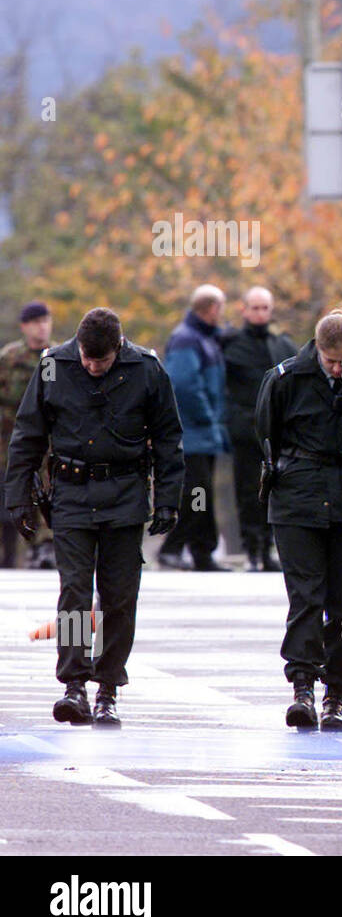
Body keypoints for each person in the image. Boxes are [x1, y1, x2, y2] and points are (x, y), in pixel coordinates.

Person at [4, 307, 184, 727]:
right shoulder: (54, 367)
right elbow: (27, 434)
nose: (91, 365)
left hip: (124, 494)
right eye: (86, 357)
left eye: (99, 360)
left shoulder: (147, 370)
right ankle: (73, 685)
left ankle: (108, 687)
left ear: (118, 348)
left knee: (119, 597)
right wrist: (18, 498)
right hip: (70, 495)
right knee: (74, 594)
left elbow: (169, 438)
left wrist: (170, 500)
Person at [255, 308, 342, 732]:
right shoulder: (285, 378)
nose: (338, 369)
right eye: (331, 360)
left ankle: (337, 690)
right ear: (317, 348)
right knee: (306, 596)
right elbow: (265, 430)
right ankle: (302, 686)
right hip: (298, 498)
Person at [158, 284, 231, 571]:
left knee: (202, 493)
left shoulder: (203, 338)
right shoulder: (187, 339)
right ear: (212, 309)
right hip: (192, 431)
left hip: (203, 431)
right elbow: (185, 385)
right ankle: (172, 548)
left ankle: (202, 551)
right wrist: (207, 417)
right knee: (195, 494)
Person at [223, 287, 296, 572]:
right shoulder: (230, 345)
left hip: (274, 431)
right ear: (244, 309)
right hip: (243, 430)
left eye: (265, 308)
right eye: (255, 308)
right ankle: (252, 549)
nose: (260, 313)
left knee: (273, 488)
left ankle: (265, 549)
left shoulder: (282, 346)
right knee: (246, 490)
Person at [0, 302, 56, 568]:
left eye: (45, 320)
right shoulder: (9, 359)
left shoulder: (59, 357)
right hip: (11, 442)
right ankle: (16, 552)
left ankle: (46, 547)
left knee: (48, 491)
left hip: (49, 441)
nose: (42, 327)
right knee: (16, 493)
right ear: (25, 327)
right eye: (36, 322)